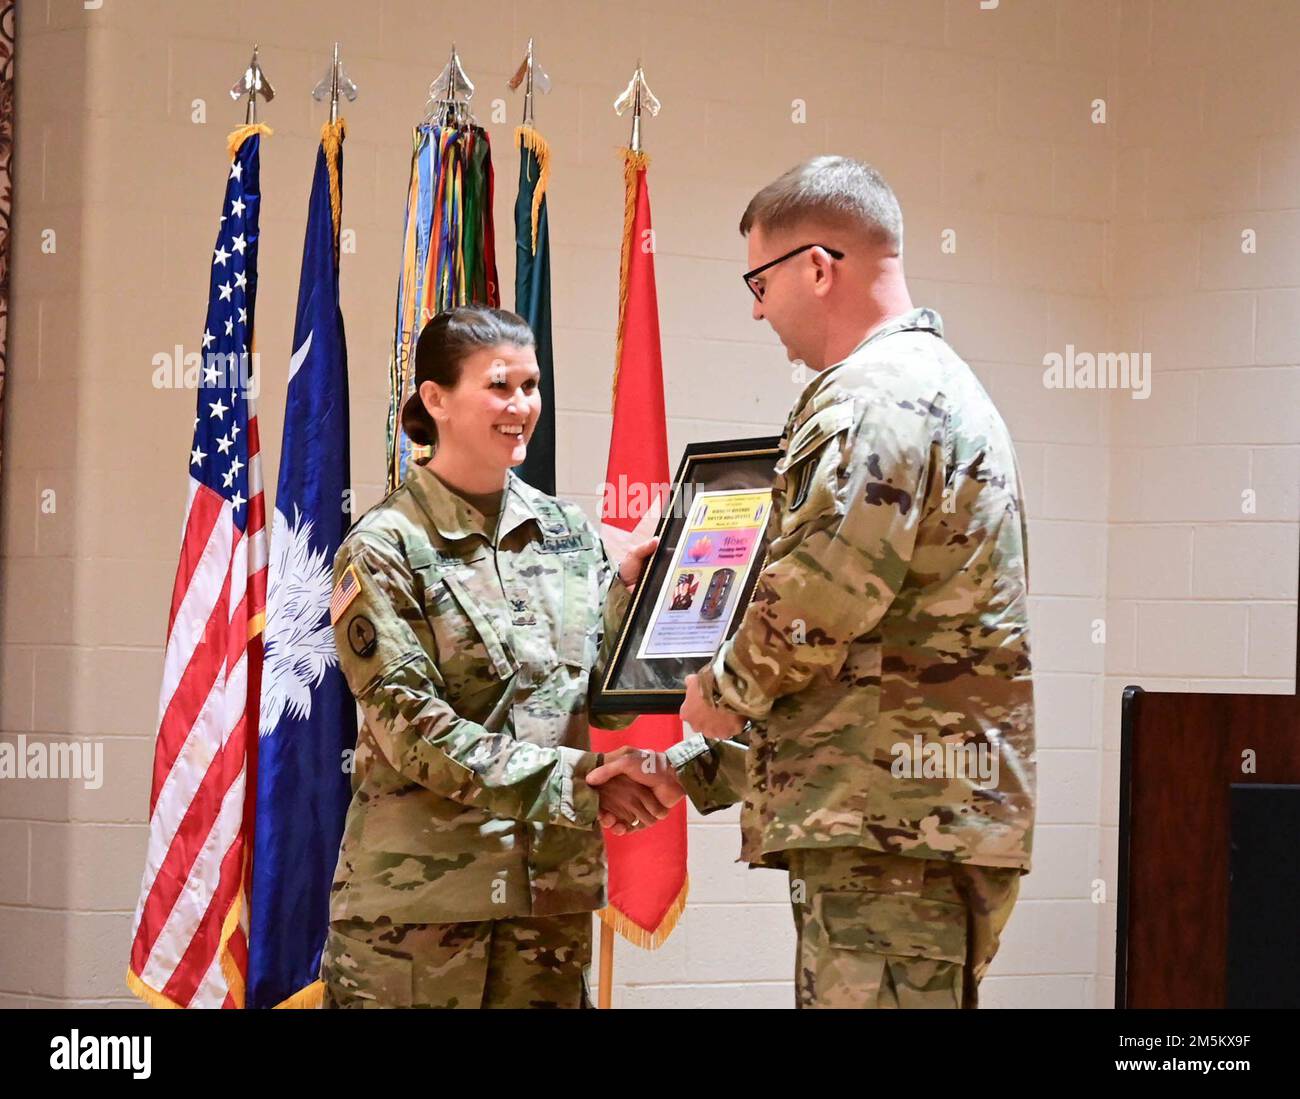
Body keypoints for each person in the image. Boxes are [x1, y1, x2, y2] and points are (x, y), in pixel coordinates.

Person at [590, 156, 1036, 1009]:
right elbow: (865, 661)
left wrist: (713, 692)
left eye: (759, 281)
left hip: (893, 834)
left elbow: (816, 607)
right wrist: (696, 765)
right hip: (907, 819)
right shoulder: (927, 385)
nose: (757, 308)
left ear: (819, 268)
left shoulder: (872, 398)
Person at [321, 306, 682, 1009]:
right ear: (436, 399)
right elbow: (414, 732)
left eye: (531, 384)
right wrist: (582, 782)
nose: (522, 406)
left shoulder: (566, 531)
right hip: (420, 922)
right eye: (499, 386)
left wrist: (647, 599)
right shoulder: (385, 547)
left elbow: (603, 687)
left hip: (548, 907)